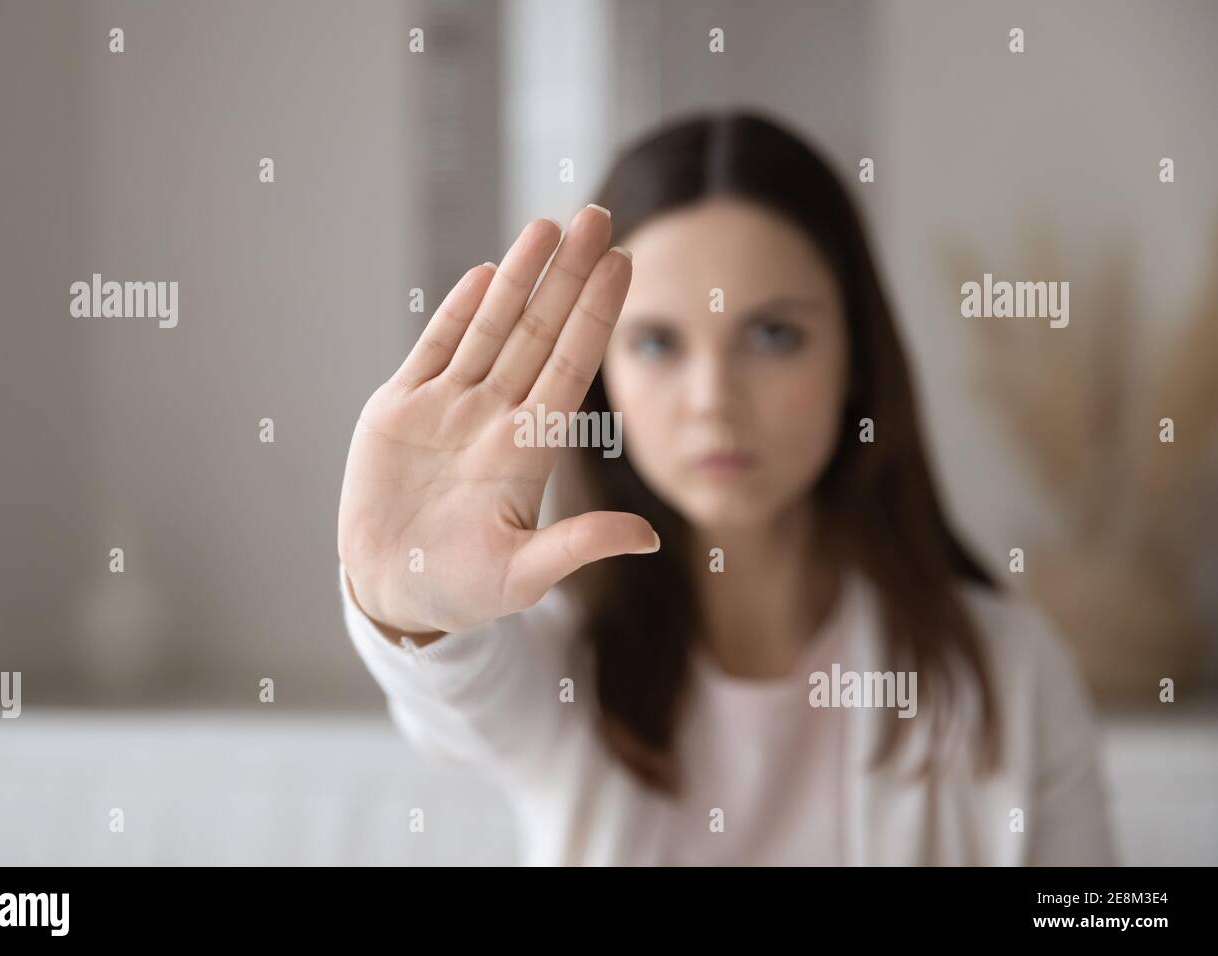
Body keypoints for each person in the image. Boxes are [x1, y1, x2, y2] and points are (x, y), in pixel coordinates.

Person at [335, 111, 1115, 866]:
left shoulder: (1013, 672)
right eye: (656, 342)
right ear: (605, 377)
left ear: (855, 355)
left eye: (773, 334)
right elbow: (459, 702)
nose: (714, 399)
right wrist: (407, 599)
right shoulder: (561, 661)